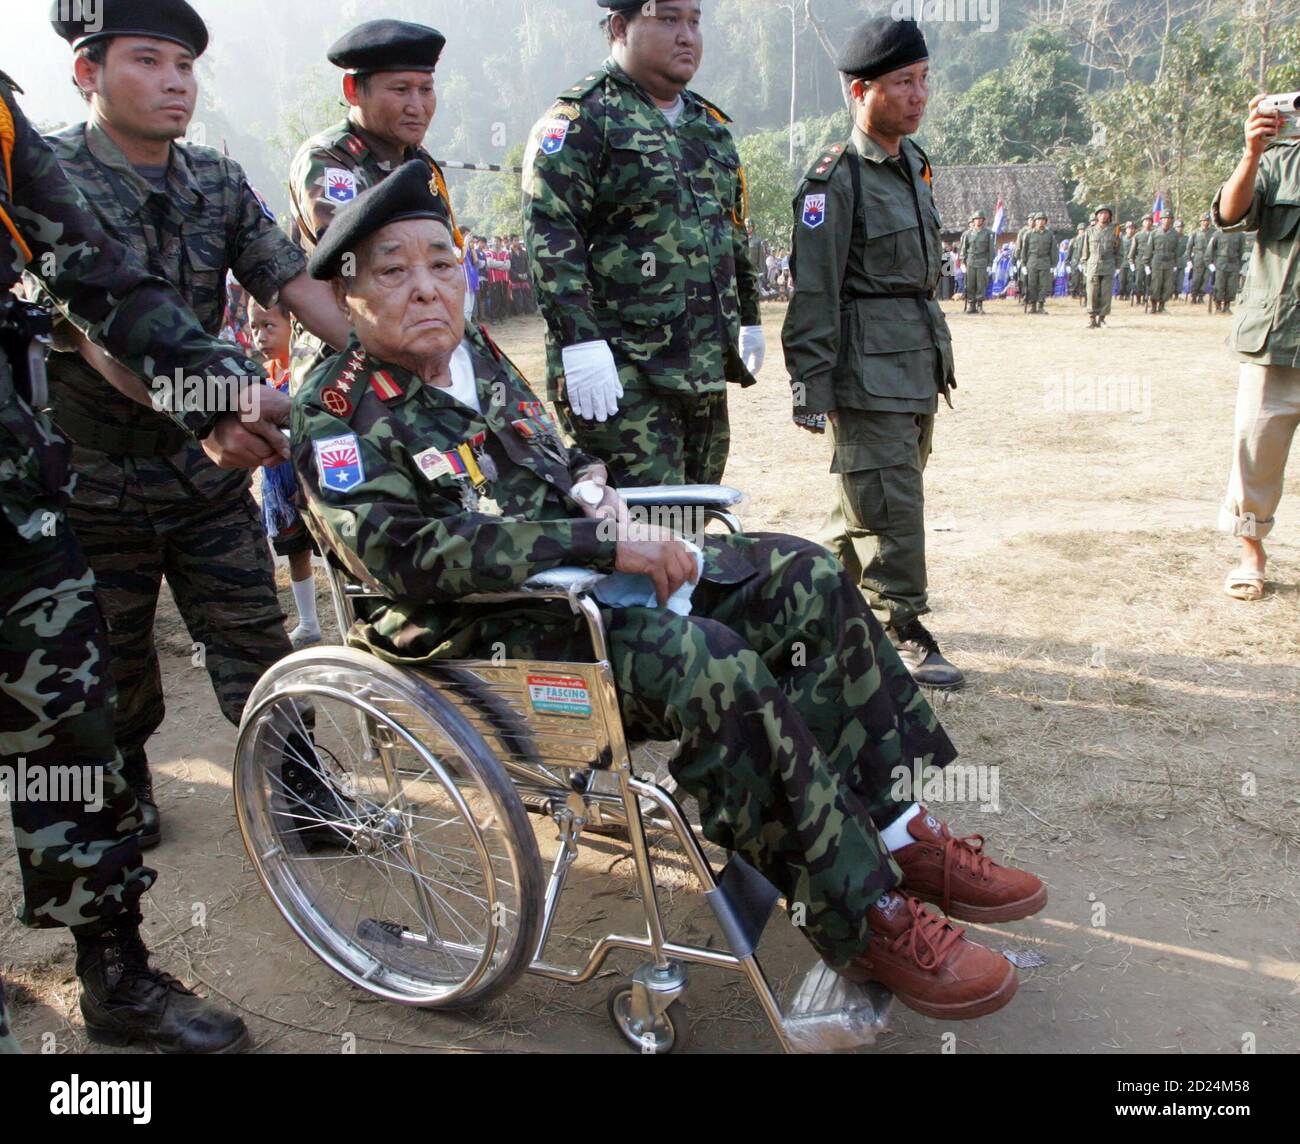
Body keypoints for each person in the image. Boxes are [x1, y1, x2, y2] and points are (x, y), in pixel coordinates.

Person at [293, 160, 1046, 1020]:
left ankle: (897, 832)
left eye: (441, 261)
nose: (427, 288)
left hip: (582, 591)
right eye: (394, 271)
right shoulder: (338, 408)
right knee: (709, 664)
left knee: (804, 575)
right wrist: (601, 540)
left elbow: (552, 456)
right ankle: (862, 912)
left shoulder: (479, 358)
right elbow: (404, 555)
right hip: (477, 642)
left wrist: (595, 492)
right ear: (347, 294)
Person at [1, 58, 289, 1054]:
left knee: (65, 731)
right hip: (83, 474)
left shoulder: (0, 123)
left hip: (17, 498)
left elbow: (90, 273)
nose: (178, 81)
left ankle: (112, 968)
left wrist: (217, 398)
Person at [36, 0, 351, 848]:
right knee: (116, 666)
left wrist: (401, 357)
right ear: (86, 71)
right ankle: (124, 796)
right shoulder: (47, 182)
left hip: (210, 473)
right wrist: (214, 403)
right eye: (148, 61)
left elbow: (295, 284)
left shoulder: (214, 178)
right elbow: (101, 335)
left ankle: (303, 793)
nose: (175, 82)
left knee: (257, 637)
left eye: (184, 66)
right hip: (97, 478)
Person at [782, 18, 963, 690]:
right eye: (902, 83)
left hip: (914, 362)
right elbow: (816, 290)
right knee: (891, 504)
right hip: (864, 372)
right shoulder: (836, 179)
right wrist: (810, 383)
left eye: (923, 81)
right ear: (861, 92)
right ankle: (903, 626)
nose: (919, 96)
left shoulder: (914, 165)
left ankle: (803, 614)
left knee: (861, 504)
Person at [523, 0, 762, 487]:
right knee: (643, 526)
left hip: (702, 368)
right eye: (669, 19)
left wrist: (751, 318)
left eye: (694, 21)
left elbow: (730, 232)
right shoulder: (583, 120)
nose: (687, 36)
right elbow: (551, 236)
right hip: (620, 369)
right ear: (619, 27)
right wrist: (580, 341)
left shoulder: (709, 128)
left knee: (694, 520)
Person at [287, 18, 455, 384]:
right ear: (353, 90)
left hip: (416, 352)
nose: (417, 105)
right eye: (400, 89)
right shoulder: (329, 160)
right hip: (346, 366)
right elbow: (350, 259)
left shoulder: (419, 162)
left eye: (425, 89)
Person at [1212, 93, 1300, 602]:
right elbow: (1231, 213)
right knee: (1256, 446)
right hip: (1278, 330)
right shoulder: (1278, 159)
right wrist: (1250, 153)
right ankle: (1252, 552)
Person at [248, 297, 322, 647]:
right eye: (254, 328)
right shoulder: (261, 379)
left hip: (309, 482)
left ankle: (350, 617)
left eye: (268, 326)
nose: (260, 336)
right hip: (280, 488)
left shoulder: (304, 377)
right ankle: (309, 623)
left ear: (293, 327)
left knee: (333, 553)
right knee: (295, 552)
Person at [1080, 204, 1120, 328]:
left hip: (1108, 265)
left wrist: (1118, 266)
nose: (1103, 215)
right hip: (1093, 265)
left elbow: (1119, 250)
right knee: (1092, 293)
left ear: (1109, 216)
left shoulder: (1115, 231)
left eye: (1106, 213)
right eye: (1101, 213)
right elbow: (1085, 250)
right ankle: (1092, 318)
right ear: (1097, 216)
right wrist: (1084, 264)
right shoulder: (1090, 231)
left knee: (1106, 294)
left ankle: (1102, 318)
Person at [958, 211, 993, 314]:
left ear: (983, 220)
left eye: (980, 218)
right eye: (976, 219)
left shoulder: (988, 233)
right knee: (970, 284)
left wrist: (990, 264)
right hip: (970, 261)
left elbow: (991, 250)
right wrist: (962, 262)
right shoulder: (967, 234)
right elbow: (963, 249)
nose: (978, 220)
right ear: (973, 221)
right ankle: (971, 305)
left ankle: (979, 305)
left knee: (981, 284)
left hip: (982, 262)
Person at [1021, 212, 1056, 314]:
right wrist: (1023, 264)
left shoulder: (1049, 235)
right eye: (1038, 220)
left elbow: (1053, 250)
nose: (1040, 222)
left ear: (1046, 222)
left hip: (1045, 262)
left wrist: (1053, 265)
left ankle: (1041, 305)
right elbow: (1024, 250)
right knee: (1032, 284)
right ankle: (1033, 305)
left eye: (1043, 220)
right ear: (1035, 222)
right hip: (1032, 261)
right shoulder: (1028, 234)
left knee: (1043, 285)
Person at [1208, 225, 1245, 314]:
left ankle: (1227, 306)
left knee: (1231, 287)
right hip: (1220, 263)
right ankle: (1218, 307)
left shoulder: (1240, 234)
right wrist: (1210, 263)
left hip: (1234, 264)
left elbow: (1241, 251)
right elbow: (1210, 249)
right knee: (1219, 286)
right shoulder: (1217, 233)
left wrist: (1240, 265)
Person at [1149, 211, 1180, 312]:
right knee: (1156, 284)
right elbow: (1149, 249)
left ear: (1171, 220)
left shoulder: (1175, 234)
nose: (1167, 220)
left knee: (1167, 285)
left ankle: (1162, 306)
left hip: (1169, 262)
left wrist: (1176, 263)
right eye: (1165, 218)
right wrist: (1146, 263)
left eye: (1169, 218)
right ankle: (1153, 305)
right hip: (1157, 261)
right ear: (1161, 220)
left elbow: (1177, 250)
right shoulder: (1154, 233)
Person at [1187, 212, 1217, 304]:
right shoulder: (1195, 233)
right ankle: (1193, 295)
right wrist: (1189, 260)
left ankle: (1201, 296)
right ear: (1200, 222)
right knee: (1197, 278)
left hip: (1209, 258)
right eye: (1203, 221)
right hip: (1198, 257)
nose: (1205, 223)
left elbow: (1216, 247)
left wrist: (1215, 260)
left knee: (1206, 278)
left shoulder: (1213, 233)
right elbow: (1189, 247)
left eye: (1207, 221)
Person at [1130, 214, 1155, 307]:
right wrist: (1131, 262)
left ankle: (1146, 298)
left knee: (1149, 281)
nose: (1148, 222)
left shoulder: (1155, 234)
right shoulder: (1137, 235)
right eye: (1146, 221)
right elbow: (1133, 250)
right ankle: (1138, 299)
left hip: (1151, 260)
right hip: (1140, 260)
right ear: (1143, 223)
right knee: (1138, 280)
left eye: (1149, 221)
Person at [1117, 221, 1137, 299]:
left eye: (1132, 228)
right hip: (1122, 263)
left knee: (1130, 280)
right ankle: (1121, 294)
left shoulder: (1136, 239)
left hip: (1132, 263)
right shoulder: (1121, 239)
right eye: (1129, 228)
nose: (1130, 230)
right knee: (1122, 280)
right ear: (1126, 230)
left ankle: (1127, 295)